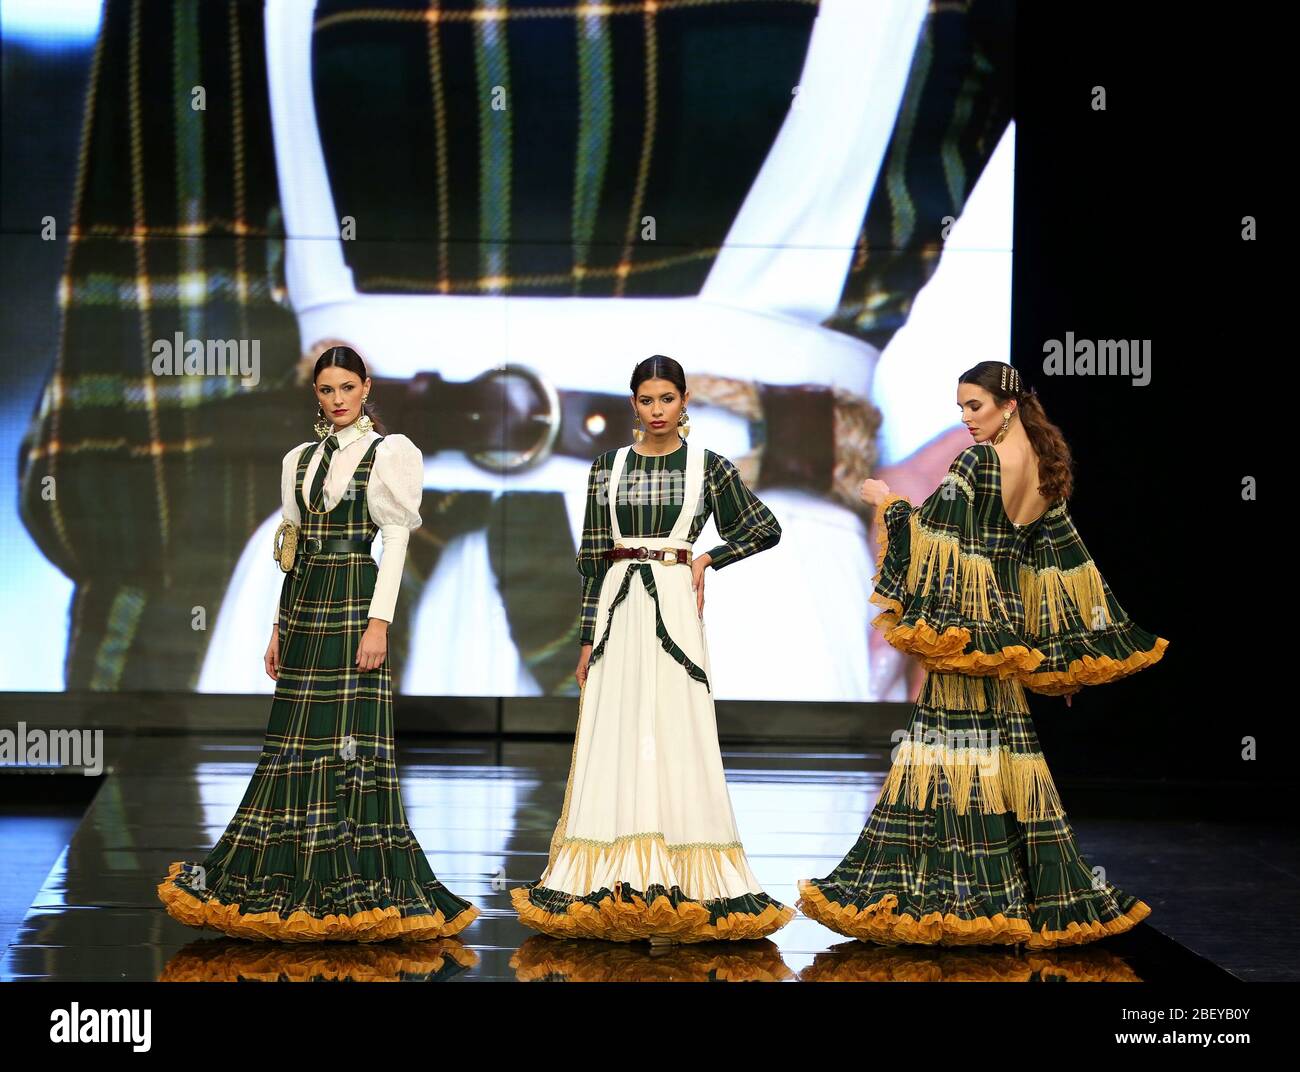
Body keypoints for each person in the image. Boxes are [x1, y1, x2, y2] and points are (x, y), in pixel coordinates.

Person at [797, 360, 1169, 947]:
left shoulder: (978, 462)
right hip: (1007, 643)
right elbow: (1061, 571)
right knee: (1001, 764)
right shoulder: (1044, 469)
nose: (967, 419)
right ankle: (1007, 898)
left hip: (966, 640)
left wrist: (886, 502)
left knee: (945, 762)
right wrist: (1061, 657)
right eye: (961, 408)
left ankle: (954, 897)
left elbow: (934, 542)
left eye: (975, 406)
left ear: (1009, 405)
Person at [156, 346, 478, 942]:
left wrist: (380, 622)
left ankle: (353, 874)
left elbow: (398, 542)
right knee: (294, 740)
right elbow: (292, 548)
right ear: (317, 393)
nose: (336, 399)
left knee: (351, 739)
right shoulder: (299, 460)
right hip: (305, 604)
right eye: (326, 389)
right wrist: (278, 626)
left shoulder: (390, 452)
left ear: (365, 388)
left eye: (346, 387)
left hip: (356, 598)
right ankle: (289, 867)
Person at [511, 356, 794, 942]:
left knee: (676, 726)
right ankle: (609, 868)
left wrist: (709, 557)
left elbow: (764, 527)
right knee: (613, 728)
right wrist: (587, 640)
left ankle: (684, 867)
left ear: (684, 399)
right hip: (618, 605)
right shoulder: (605, 468)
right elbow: (592, 563)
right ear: (633, 404)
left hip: (671, 600)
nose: (658, 410)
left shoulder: (708, 467)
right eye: (647, 400)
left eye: (668, 398)